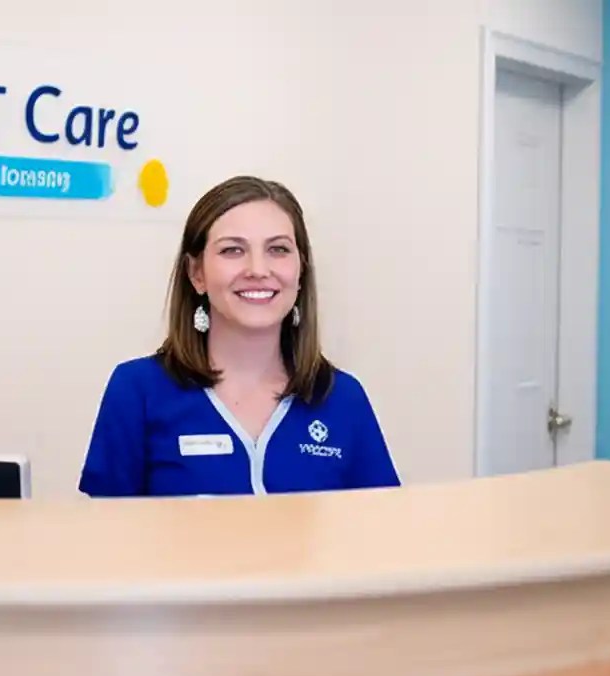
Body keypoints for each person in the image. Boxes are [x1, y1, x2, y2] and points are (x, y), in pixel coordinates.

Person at [79, 175, 400, 497]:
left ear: (301, 271)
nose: (258, 269)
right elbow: (107, 538)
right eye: (233, 250)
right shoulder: (137, 391)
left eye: (278, 249)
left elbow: (380, 533)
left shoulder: (342, 397)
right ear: (197, 273)